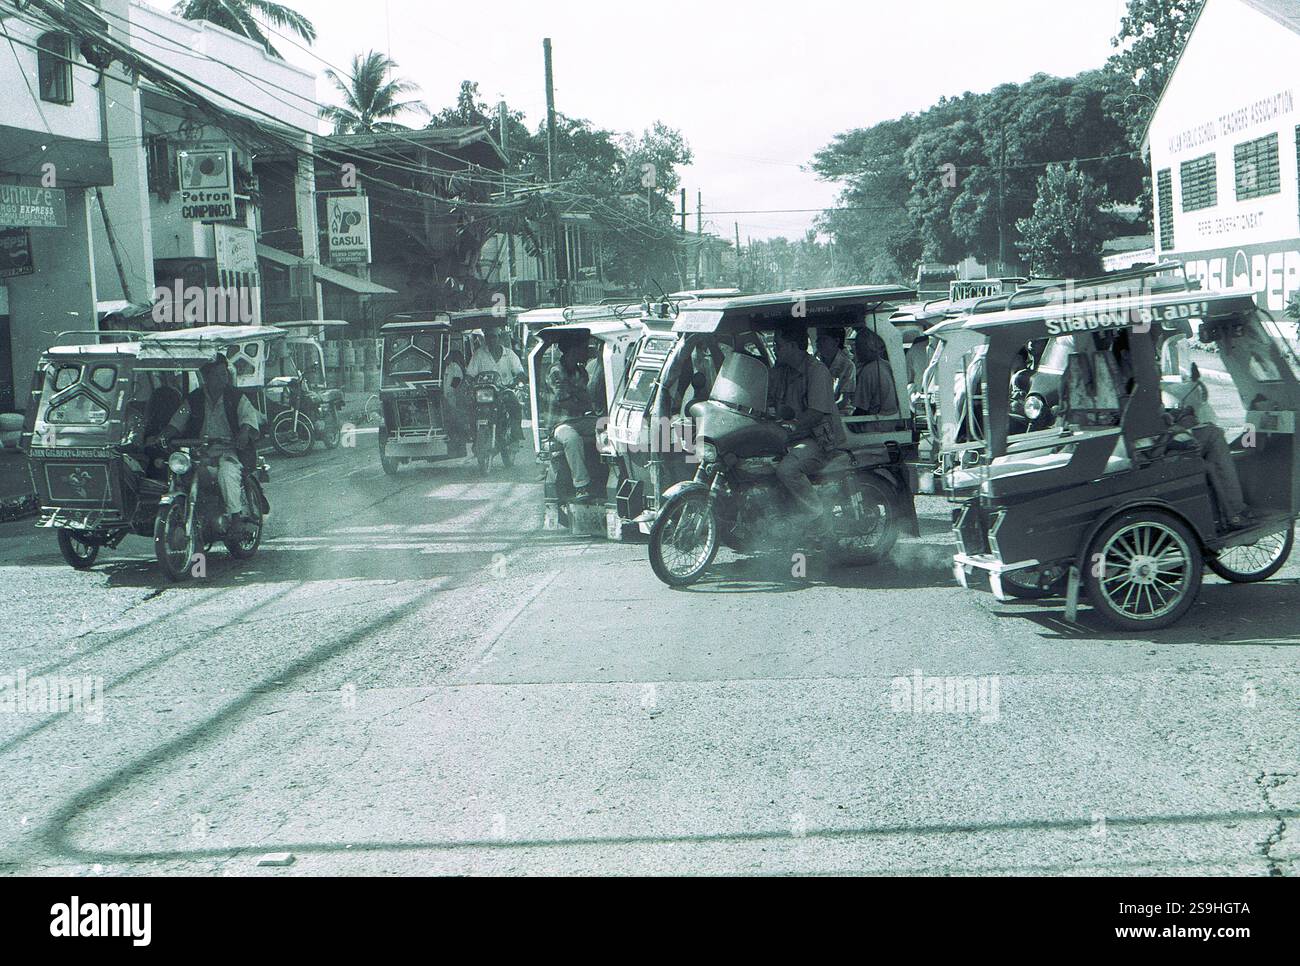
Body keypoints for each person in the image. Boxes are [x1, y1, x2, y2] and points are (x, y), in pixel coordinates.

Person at [163, 359, 259, 532]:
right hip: (199, 452)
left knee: (226, 474)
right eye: (217, 375)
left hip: (228, 451)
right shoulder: (194, 399)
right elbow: (177, 421)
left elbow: (248, 418)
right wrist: (162, 436)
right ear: (206, 377)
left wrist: (244, 432)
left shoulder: (236, 397)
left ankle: (236, 518)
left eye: (224, 374)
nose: (223, 379)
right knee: (181, 474)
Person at [768, 323, 846, 534]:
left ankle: (817, 518)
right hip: (794, 436)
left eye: (778, 344)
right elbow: (767, 397)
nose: (775, 348)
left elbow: (815, 414)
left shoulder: (817, 371)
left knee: (788, 469)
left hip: (819, 440)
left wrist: (787, 432)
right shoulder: (782, 370)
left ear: (793, 346)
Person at [1165, 369, 1252, 528]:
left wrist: (1175, 418)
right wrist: (1178, 437)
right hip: (1162, 454)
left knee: (1211, 438)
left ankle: (1229, 510)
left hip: (1160, 446)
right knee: (1214, 434)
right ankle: (1234, 510)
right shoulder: (1140, 391)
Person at [547, 338, 598, 502]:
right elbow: (564, 401)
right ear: (573, 350)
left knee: (608, 427)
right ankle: (581, 485)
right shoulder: (556, 371)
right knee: (571, 439)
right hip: (560, 422)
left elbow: (587, 397)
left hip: (581, 419)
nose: (587, 352)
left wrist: (579, 398)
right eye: (584, 348)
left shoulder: (581, 371)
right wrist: (582, 401)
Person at [466, 327, 525, 443]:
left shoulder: (509, 354)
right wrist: (467, 383)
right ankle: (474, 436)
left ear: (499, 338)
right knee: (471, 408)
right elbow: (470, 374)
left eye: (494, 337)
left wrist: (517, 379)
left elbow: (519, 371)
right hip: (483, 392)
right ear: (485, 339)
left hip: (504, 390)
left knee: (515, 405)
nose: (491, 340)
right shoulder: (479, 354)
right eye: (488, 337)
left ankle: (516, 432)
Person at [851, 328, 899, 417]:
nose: (856, 351)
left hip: (874, 424)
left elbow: (861, 408)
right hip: (891, 420)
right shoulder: (886, 365)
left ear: (869, 347)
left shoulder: (868, 371)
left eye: (858, 347)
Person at [816, 327, 856, 413]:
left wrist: (822, 412)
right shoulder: (814, 363)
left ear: (836, 341)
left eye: (823, 339)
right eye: (818, 339)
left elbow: (843, 401)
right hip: (816, 413)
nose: (817, 343)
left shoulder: (847, 365)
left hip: (840, 414)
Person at [443, 349, 469, 443]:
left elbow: (457, 379)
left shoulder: (454, 366)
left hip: (453, 395)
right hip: (448, 395)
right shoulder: (447, 366)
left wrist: (452, 391)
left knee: (454, 416)